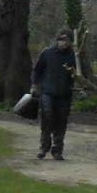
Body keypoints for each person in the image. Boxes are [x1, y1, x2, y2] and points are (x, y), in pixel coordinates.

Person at [31, 28, 80, 161]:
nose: (63, 43)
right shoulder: (47, 53)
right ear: (57, 40)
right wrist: (35, 85)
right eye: (61, 40)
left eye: (66, 40)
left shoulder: (74, 56)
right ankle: (43, 147)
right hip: (47, 92)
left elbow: (81, 74)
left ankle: (57, 149)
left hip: (64, 93)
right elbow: (37, 70)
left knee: (61, 121)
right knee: (47, 117)